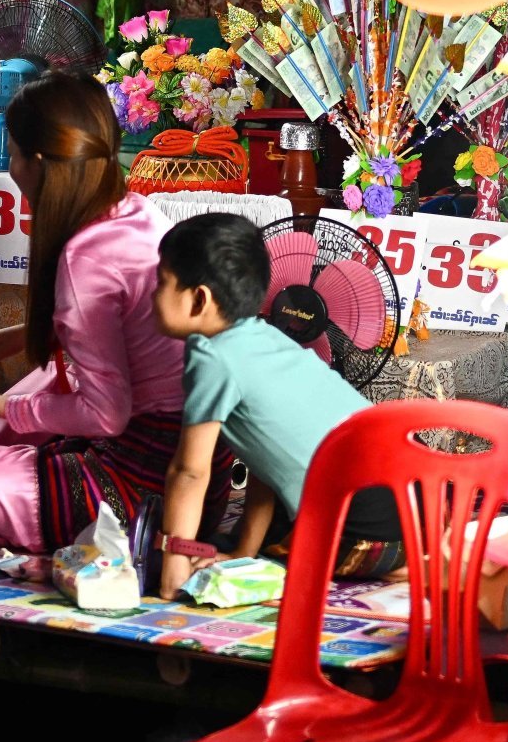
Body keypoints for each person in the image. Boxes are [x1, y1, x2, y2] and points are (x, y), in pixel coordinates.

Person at [0, 72, 228, 553]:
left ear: (37, 163)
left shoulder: (84, 258)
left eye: (12, 153)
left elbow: (107, 416)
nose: (10, 166)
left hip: (146, 496)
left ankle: (7, 493)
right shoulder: (136, 209)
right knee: (38, 380)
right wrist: (28, 333)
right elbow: (127, 329)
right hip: (207, 478)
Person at [149, 214, 404, 600]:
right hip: (415, 505)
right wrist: (241, 552)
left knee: (232, 549)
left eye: (161, 283)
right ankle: (417, 561)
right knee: (239, 539)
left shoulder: (211, 354)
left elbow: (189, 473)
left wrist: (172, 571)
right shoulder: (267, 337)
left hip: (360, 534)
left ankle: (400, 566)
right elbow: (267, 459)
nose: (152, 295)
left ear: (199, 298)